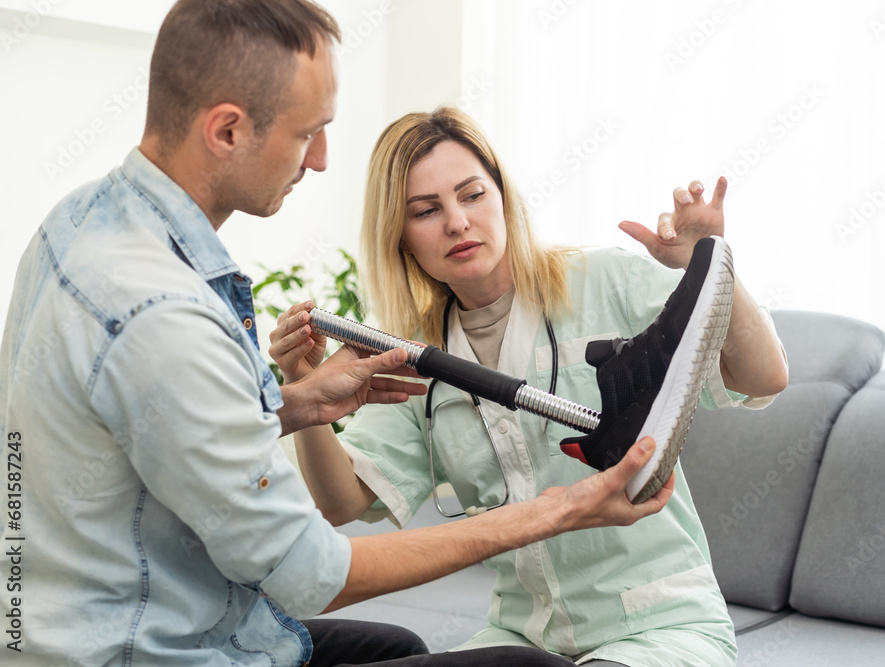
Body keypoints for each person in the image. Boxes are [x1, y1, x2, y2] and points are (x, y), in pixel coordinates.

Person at [0, 3, 675, 666]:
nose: (318, 160)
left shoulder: (80, 220)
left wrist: (303, 401)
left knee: (396, 647)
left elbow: (148, 417)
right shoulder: (165, 313)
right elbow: (312, 572)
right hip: (140, 649)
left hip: (53, 630)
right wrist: (558, 509)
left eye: (472, 195)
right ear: (227, 130)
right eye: (306, 132)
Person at [270, 107, 789, 666]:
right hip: (523, 634)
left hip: (659, 626)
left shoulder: (605, 281)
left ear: (503, 197)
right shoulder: (414, 350)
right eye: (427, 211)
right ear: (400, 238)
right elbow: (342, 501)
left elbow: (764, 379)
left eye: (472, 195)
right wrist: (303, 388)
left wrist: (714, 266)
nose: (457, 222)